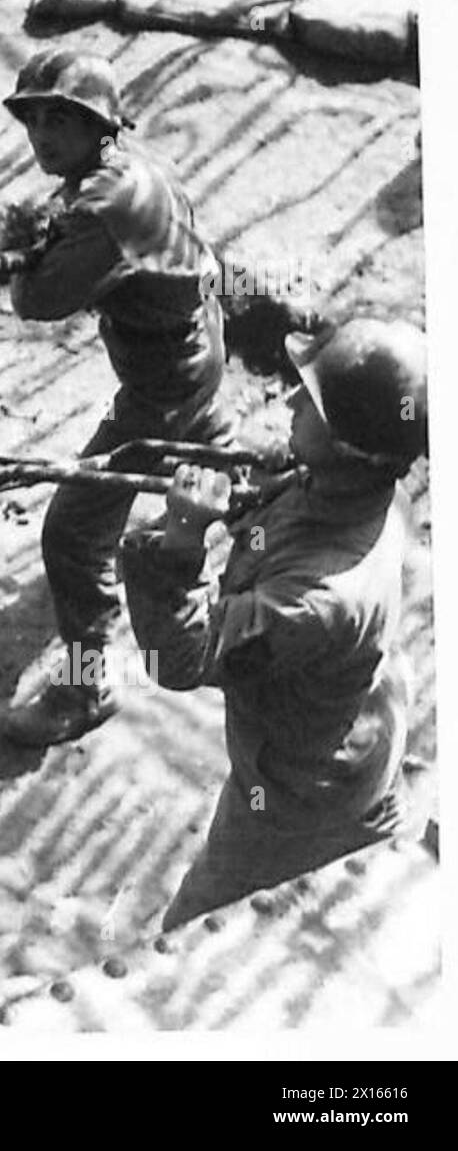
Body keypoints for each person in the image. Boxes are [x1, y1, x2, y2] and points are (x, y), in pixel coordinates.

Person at [118, 317, 427, 929]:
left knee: (188, 932)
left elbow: (180, 659)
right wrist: (265, 487)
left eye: (308, 404)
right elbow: (293, 522)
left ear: (351, 446)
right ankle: (370, 829)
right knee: (365, 816)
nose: (287, 399)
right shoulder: (369, 488)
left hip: (297, 793)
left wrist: (178, 547)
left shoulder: (320, 598)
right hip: (355, 719)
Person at [0, 48, 232, 748]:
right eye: (33, 118)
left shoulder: (105, 202)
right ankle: (224, 483)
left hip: (162, 380)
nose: (42, 135)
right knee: (202, 442)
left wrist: (19, 258)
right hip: (196, 345)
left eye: (61, 119)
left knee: (70, 534)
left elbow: (40, 302)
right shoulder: (129, 166)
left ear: (99, 126)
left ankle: (88, 683)